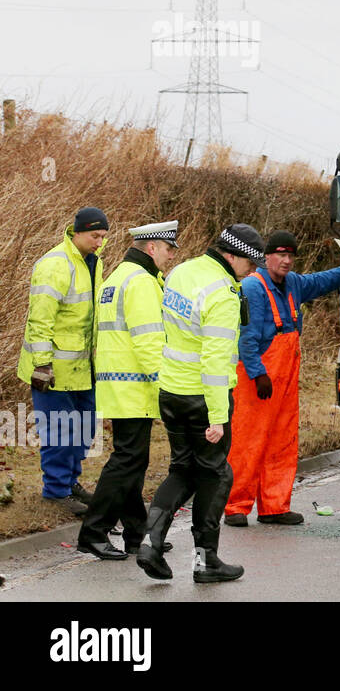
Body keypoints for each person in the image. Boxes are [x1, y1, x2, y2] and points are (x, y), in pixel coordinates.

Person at [136, 224, 263, 584]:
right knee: (216, 472)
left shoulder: (181, 272)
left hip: (171, 390)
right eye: (249, 263)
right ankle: (206, 561)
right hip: (203, 397)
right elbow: (213, 360)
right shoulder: (222, 293)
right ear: (231, 256)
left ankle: (150, 541)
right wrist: (218, 417)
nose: (252, 271)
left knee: (182, 469)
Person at [225, 231, 340, 526]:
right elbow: (246, 338)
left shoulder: (294, 283)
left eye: (290, 256)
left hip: (285, 379)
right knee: (249, 441)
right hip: (257, 378)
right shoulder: (251, 287)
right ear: (266, 257)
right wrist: (258, 374)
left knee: (282, 441)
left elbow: (321, 281)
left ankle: (274, 506)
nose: (286, 261)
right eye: (281, 255)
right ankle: (236, 506)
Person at [77, 221, 179, 560]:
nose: (170, 256)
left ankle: (137, 534)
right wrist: (166, 386)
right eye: (168, 249)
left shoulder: (118, 277)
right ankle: (93, 532)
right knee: (127, 461)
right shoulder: (141, 282)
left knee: (132, 460)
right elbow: (149, 340)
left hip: (115, 384)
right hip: (135, 386)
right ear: (152, 248)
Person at [18, 207, 108, 516]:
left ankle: (70, 484)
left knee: (83, 428)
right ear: (78, 231)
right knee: (60, 430)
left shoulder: (91, 262)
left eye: (103, 236)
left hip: (82, 367)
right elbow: (39, 320)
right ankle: (55, 492)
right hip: (53, 369)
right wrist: (42, 365)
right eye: (95, 236)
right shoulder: (56, 264)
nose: (100, 242)